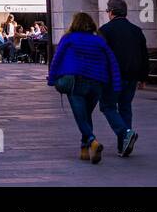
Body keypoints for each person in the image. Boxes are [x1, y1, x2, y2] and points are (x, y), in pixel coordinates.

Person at [48, 12, 136, 162]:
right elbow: (112, 62)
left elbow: (57, 59)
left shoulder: (68, 38)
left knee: (80, 116)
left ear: (74, 24)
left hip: (76, 80)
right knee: (86, 114)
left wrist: (52, 78)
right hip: (97, 83)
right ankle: (84, 149)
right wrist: (115, 84)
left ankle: (92, 141)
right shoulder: (99, 41)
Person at [99, 0, 148, 156]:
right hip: (132, 75)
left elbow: (101, 55)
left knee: (108, 106)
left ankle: (125, 133)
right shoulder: (136, 30)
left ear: (111, 12)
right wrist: (143, 77)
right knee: (125, 107)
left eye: (107, 11)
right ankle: (123, 146)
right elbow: (143, 55)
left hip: (113, 77)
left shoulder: (105, 30)